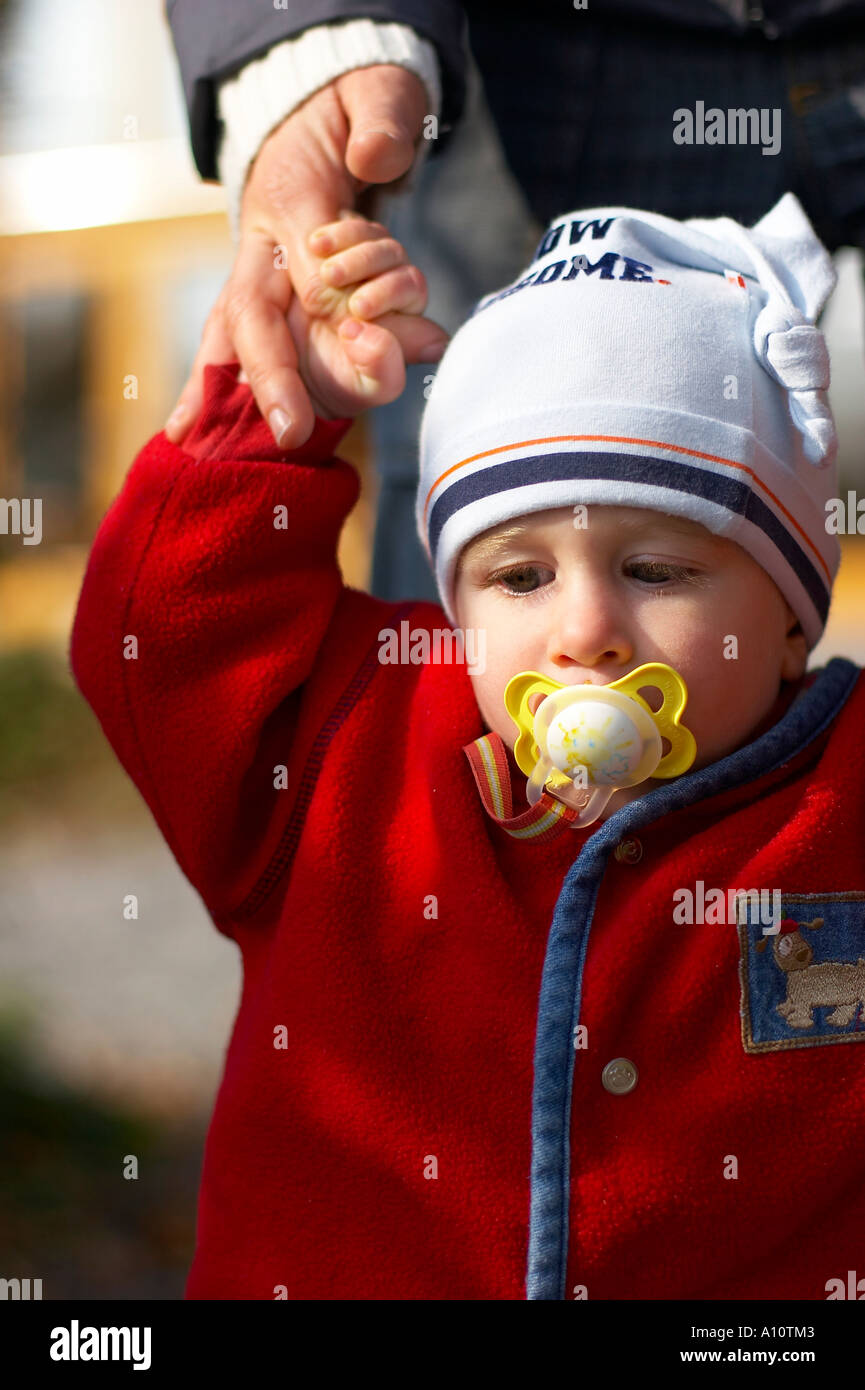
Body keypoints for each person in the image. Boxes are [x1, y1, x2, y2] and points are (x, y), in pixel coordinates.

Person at [70, 194, 865, 1299]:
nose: (581, 629)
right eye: (518, 577)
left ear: (790, 617)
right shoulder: (355, 737)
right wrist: (271, 418)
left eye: (656, 571)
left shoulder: (841, 795)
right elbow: (164, 639)